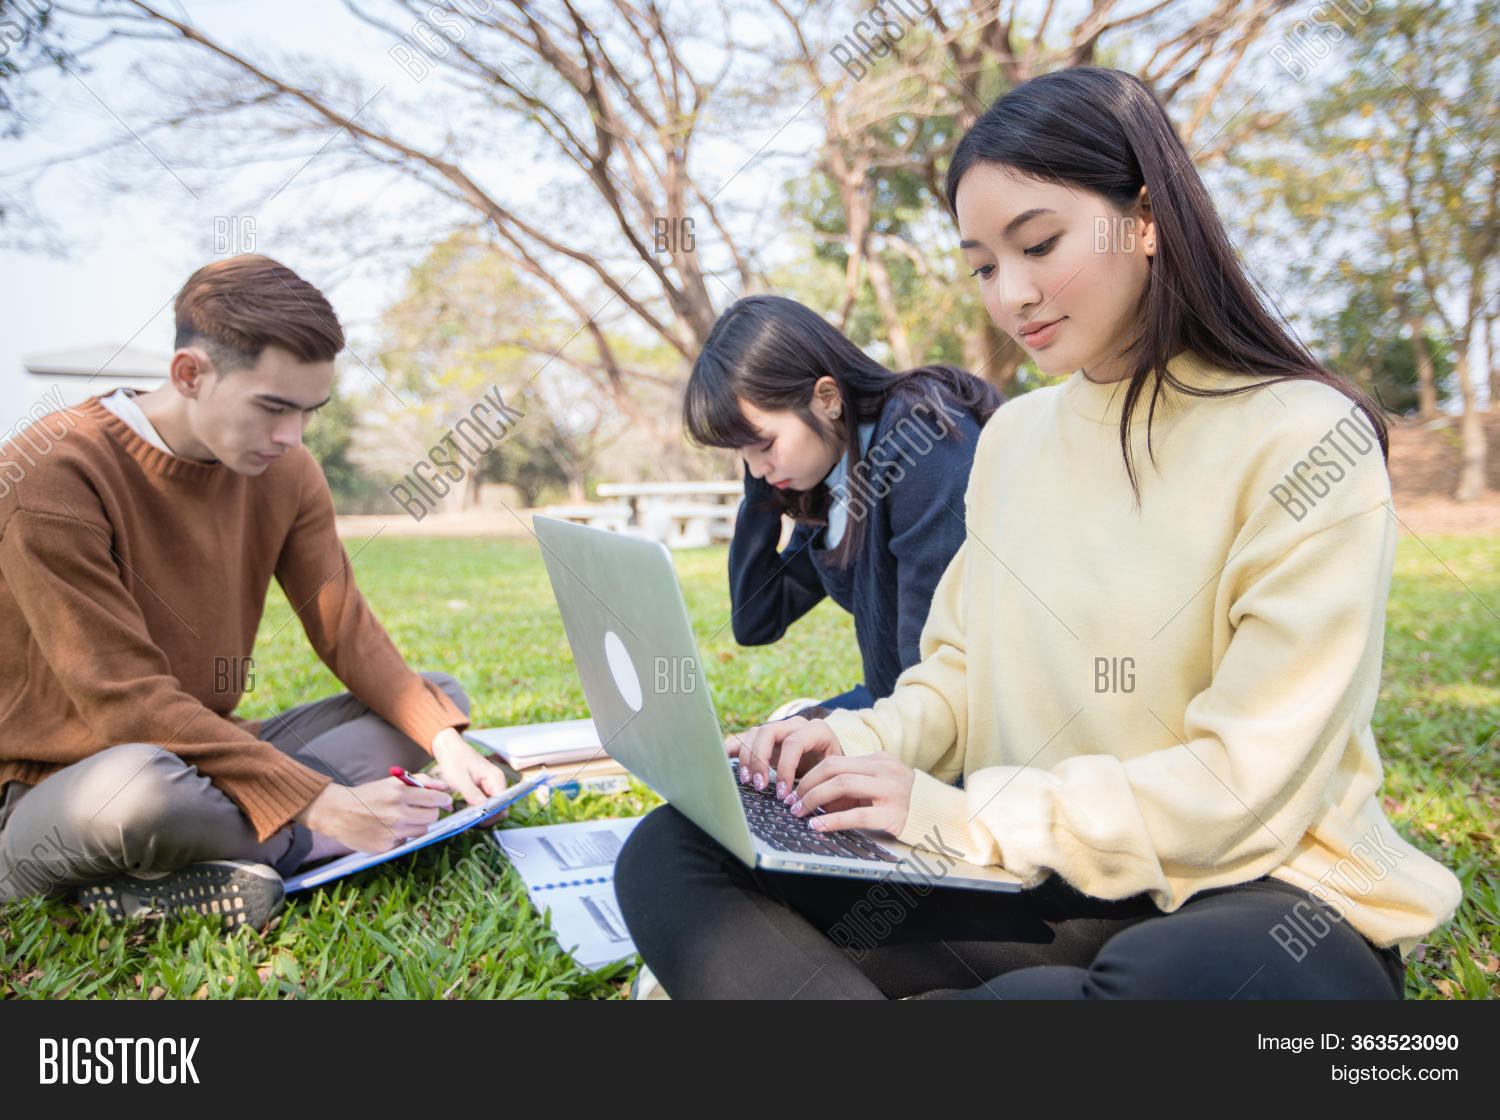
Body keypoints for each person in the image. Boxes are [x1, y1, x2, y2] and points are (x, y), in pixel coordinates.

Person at [615, 68, 1463, 999]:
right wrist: (855, 742)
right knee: (677, 853)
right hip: (1039, 871)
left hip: (1255, 892)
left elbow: (1241, 784)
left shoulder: (1305, 436)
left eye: (1040, 243)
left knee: (1137, 994)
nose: (1011, 295)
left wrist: (970, 815)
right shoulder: (1015, 437)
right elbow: (959, 680)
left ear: (1144, 217)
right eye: (982, 265)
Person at [0, 254, 509, 928]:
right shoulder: (50, 474)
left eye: (307, 412)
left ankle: (175, 881)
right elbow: (125, 704)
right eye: (272, 407)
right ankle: (316, 840)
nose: (291, 438)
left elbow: (343, 630)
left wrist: (445, 743)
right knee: (146, 791)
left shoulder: (287, 472)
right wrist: (321, 803)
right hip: (63, 782)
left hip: (206, 757)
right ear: (190, 374)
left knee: (436, 700)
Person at [684, 295, 1001, 718]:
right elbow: (757, 620)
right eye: (741, 452)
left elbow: (939, 676)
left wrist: (839, 733)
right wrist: (760, 497)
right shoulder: (833, 474)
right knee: (759, 754)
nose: (757, 467)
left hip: (966, 726)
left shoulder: (921, 441)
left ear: (828, 397)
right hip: (900, 711)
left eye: (763, 443)